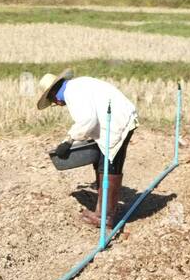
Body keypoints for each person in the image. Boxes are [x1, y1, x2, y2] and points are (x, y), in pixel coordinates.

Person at [36, 70, 137, 228]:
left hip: (117, 122)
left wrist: (68, 141)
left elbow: (88, 120)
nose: (58, 105)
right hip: (119, 117)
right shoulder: (77, 85)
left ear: (54, 96)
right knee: (102, 162)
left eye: (53, 102)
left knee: (109, 165)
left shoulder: (72, 93)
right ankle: (102, 211)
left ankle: (106, 217)